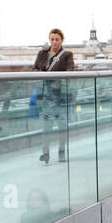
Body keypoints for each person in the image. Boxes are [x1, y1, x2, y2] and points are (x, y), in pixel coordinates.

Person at [32, 28, 75, 164]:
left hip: (61, 96)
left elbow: (70, 71)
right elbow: (34, 69)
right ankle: (45, 153)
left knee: (62, 125)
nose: (54, 42)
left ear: (62, 40)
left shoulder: (67, 54)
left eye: (57, 39)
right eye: (52, 39)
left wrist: (58, 81)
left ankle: (61, 152)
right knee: (46, 126)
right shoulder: (42, 53)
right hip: (45, 95)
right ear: (49, 39)